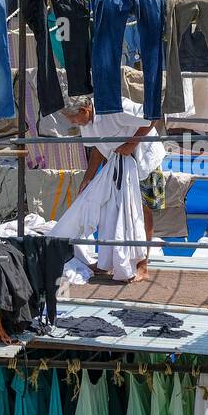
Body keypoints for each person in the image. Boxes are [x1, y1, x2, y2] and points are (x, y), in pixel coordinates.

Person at [64, 96, 164, 280]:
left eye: (73, 119)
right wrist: (88, 180)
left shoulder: (116, 107)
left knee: (142, 211)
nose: (72, 123)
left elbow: (152, 116)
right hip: (118, 164)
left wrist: (131, 143)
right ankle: (108, 262)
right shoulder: (86, 124)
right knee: (112, 209)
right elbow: (98, 149)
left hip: (143, 160)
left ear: (85, 110)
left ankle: (143, 265)